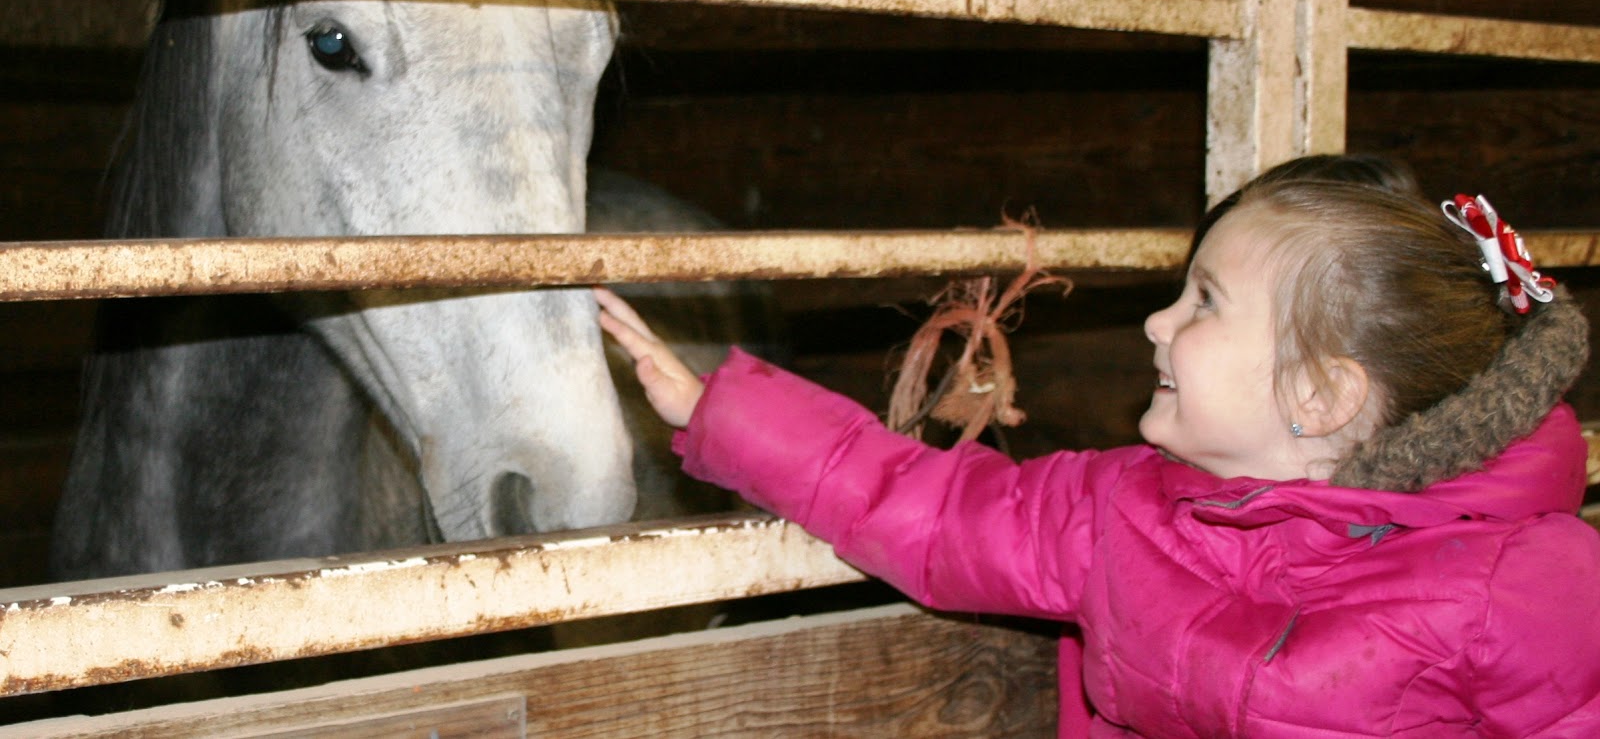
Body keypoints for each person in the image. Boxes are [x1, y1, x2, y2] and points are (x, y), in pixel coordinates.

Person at [595, 158, 1600, 736]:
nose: (1157, 323)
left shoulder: (1525, 583)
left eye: (1203, 302)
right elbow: (932, 511)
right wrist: (718, 408)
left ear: (1318, 393)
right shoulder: (1118, 508)